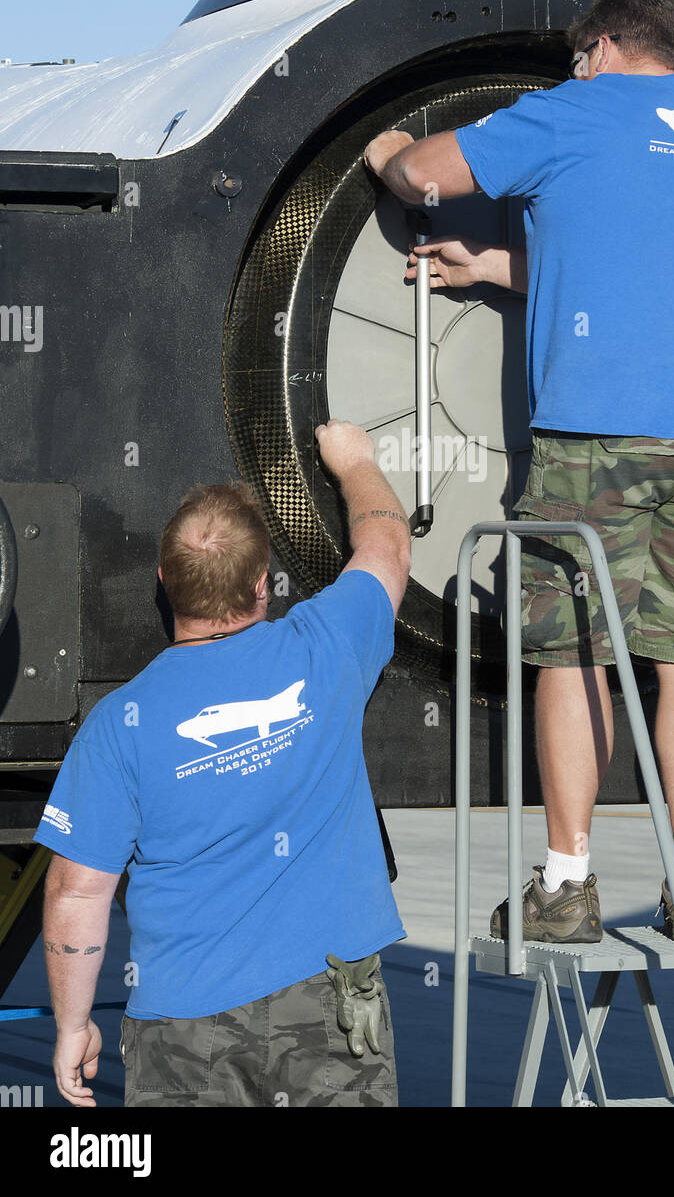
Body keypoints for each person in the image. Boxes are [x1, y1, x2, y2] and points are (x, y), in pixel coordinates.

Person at [364, 0, 674, 944]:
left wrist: (384, 149)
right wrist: (499, 269)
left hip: (599, 435)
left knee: (574, 648)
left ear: (598, 49)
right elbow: (643, 263)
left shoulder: (574, 107)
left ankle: (569, 883)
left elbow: (427, 174)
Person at [33, 420, 411, 1107]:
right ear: (262, 586)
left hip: (182, 1031)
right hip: (326, 1008)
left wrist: (72, 1025)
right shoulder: (328, 644)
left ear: (163, 580)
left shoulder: (120, 724)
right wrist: (355, 461)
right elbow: (386, 543)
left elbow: (75, 894)